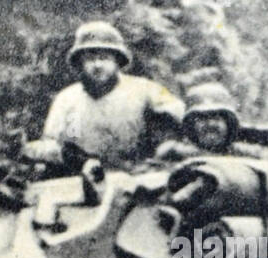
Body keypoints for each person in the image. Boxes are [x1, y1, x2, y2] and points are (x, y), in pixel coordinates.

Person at [28, 21, 184, 168]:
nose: (97, 65)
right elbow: (51, 143)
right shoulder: (67, 99)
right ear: (80, 63)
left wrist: (165, 145)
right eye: (90, 59)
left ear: (117, 61)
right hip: (82, 177)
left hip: (139, 174)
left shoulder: (146, 90)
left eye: (104, 58)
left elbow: (182, 119)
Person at [154, 81, 262, 161]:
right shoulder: (174, 154)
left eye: (216, 118)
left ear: (229, 124)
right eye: (202, 118)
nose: (210, 124)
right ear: (191, 126)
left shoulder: (248, 154)